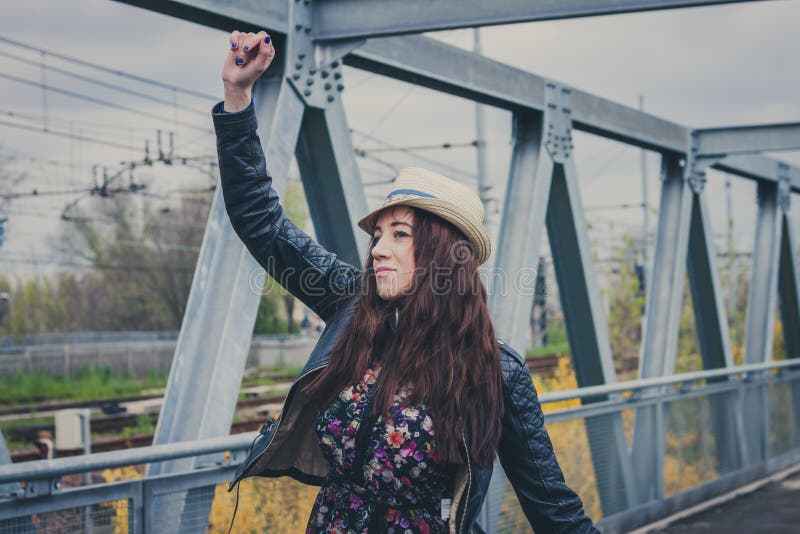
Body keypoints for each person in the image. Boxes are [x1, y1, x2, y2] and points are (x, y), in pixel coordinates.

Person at [216, 30, 598, 534]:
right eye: (378, 234)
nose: (378, 248)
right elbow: (263, 223)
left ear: (444, 251)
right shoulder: (351, 306)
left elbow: (553, 508)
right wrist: (238, 98)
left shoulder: (496, 373)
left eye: (400, 234)